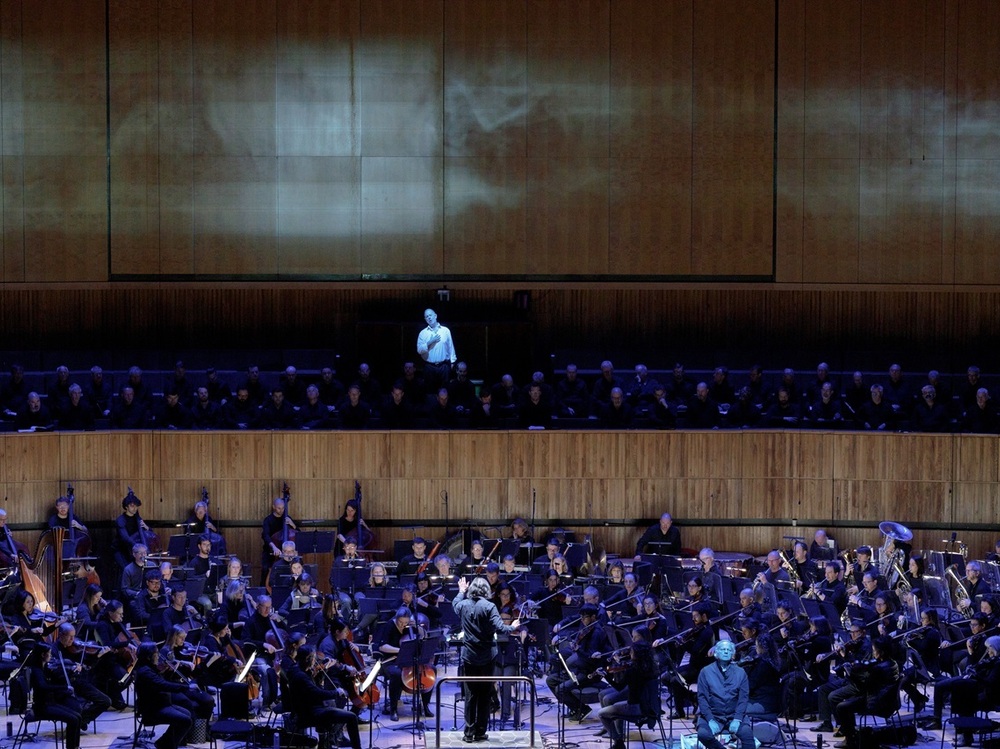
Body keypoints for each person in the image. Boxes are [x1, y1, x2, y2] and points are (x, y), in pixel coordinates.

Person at [451, 575, 520, 743]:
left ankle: (468, 733)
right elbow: (500, 627)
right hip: (487, 657)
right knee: (484, 694)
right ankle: (481, 731)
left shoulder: (463, 605)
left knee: (470, 696)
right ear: (487, 590)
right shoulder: (489, 606)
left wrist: (461, 591)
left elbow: (454, 604)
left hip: (469, 657)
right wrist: (513, 626)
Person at [286, 646, 362, 749]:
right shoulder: (301, 676)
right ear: (308, 659)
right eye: (313, 658)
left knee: (336, 709)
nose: (315, 661)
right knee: (352, 717)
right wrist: (336, 692)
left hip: (305, 709)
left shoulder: (296, 669)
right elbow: (318, 694)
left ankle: (327, 743)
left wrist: (323, 671)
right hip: (310, 713)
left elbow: (313, 687)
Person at [695, 639, 755, 749]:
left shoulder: (741, 672)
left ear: (733, 654)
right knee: (703, 735)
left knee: (748, 736)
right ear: (716, 653)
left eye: (729, 650)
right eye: (723, 649)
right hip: (713, 715)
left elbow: (743, 698)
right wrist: (710, 720)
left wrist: (737, 719)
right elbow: (702, 698)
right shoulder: (706, 671)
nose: (726, 652)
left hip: (734, 716)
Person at [25, 643, 85, 749]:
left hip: (50, 703)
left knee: (78, 716)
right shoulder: (37, 670)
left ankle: (76, 746)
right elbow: (43, 686)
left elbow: (55, 680)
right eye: (49, 654)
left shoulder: (44, 668)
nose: (51, 656)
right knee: (73, 720)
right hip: (41, 707)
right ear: (43, 655)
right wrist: (64, 688)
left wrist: (71, 672)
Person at [416, 308, 457, 392]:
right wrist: (429, 342)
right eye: (426, 316)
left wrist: (452, 361)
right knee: (430, 391)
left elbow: (450, 346)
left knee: (445, 390)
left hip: (444, 366)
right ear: (425, 319)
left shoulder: (445, 330)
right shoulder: (423, 333)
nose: (429, 318)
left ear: (435, 316)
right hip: (429, 367)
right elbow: (419, 350)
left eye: (430, 315)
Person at [261, 496, 296, 585]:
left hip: (288, 553)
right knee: (265, 568)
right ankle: (265, 590)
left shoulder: (287, 518)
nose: (281, 510)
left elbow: (297, 533)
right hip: (271, 552)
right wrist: (274, 547)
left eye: (283, 508)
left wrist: (293, 524)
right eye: (279, 508)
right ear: (273, 507)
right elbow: (266, 535)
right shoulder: (268, 520)